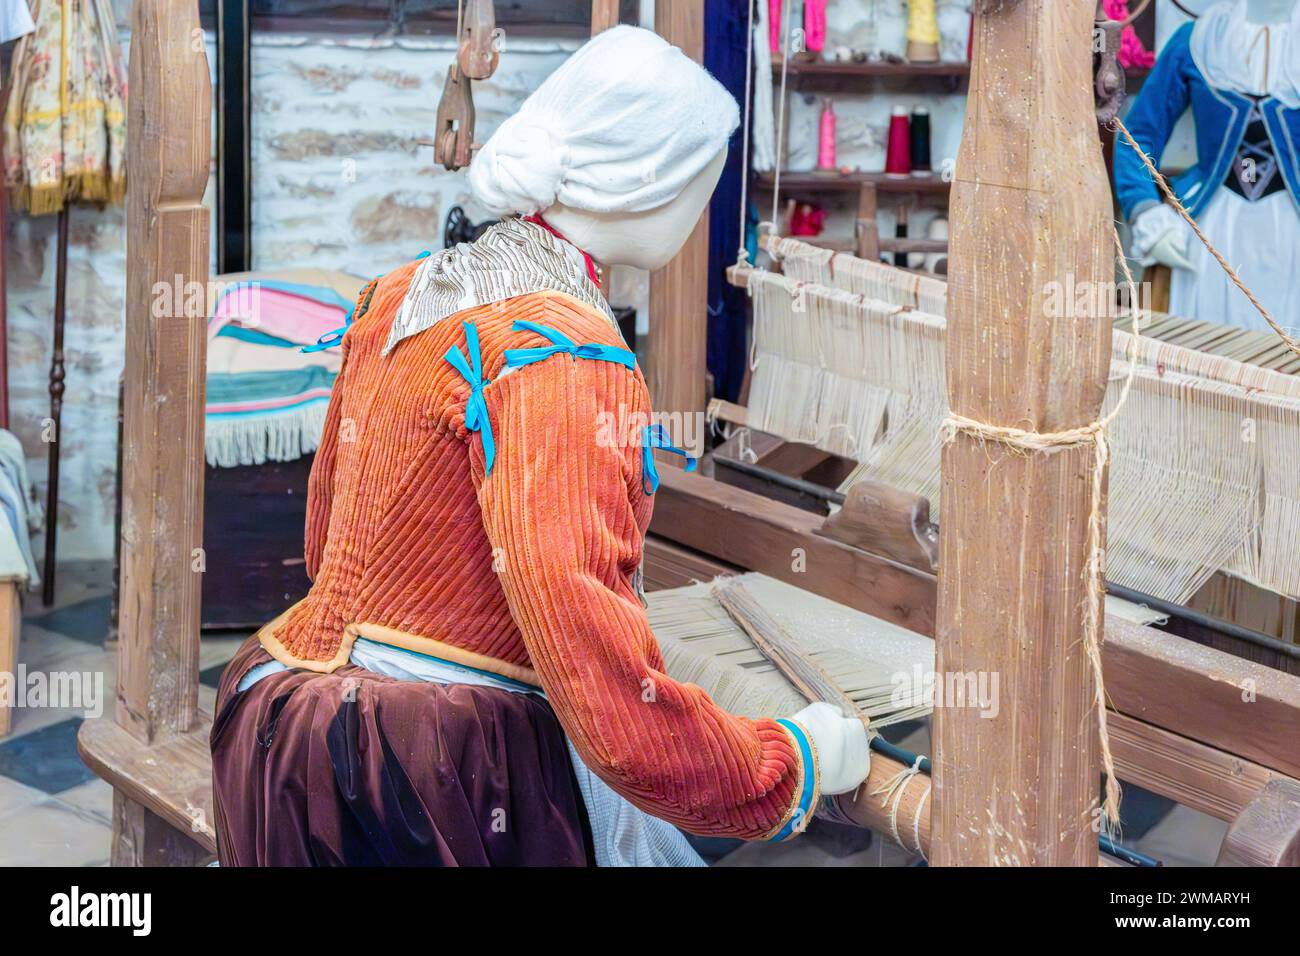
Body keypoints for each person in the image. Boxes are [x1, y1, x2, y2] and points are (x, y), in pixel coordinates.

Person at [211, 26, 872, 867]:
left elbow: (326, 543)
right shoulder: (562, 350)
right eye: (704, 176)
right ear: (652, 182)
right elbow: (596, 678)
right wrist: (787, 766)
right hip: (425, 775)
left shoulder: (404, 293)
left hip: (284, 725)